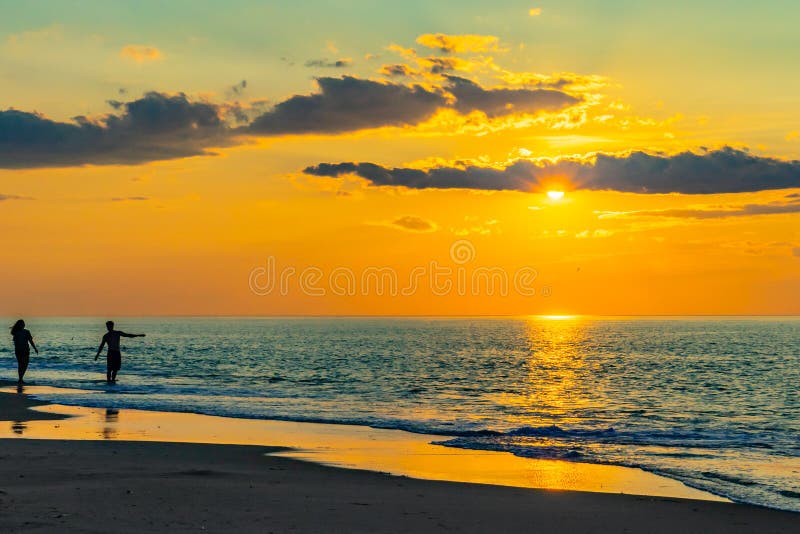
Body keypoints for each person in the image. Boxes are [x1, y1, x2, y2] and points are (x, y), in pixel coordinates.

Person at [10, 319, 38, 384]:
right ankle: (20, 379)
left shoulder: (16, 332)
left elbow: (15, 342)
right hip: (24, 350)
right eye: (23, 323)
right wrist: (35, 348)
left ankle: (20, 379)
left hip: (18, 350)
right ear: (21, 325)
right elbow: (30, 341)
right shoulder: (26, 332)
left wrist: (35, 348)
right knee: (24, 364)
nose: (24, 324)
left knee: (21, 364)